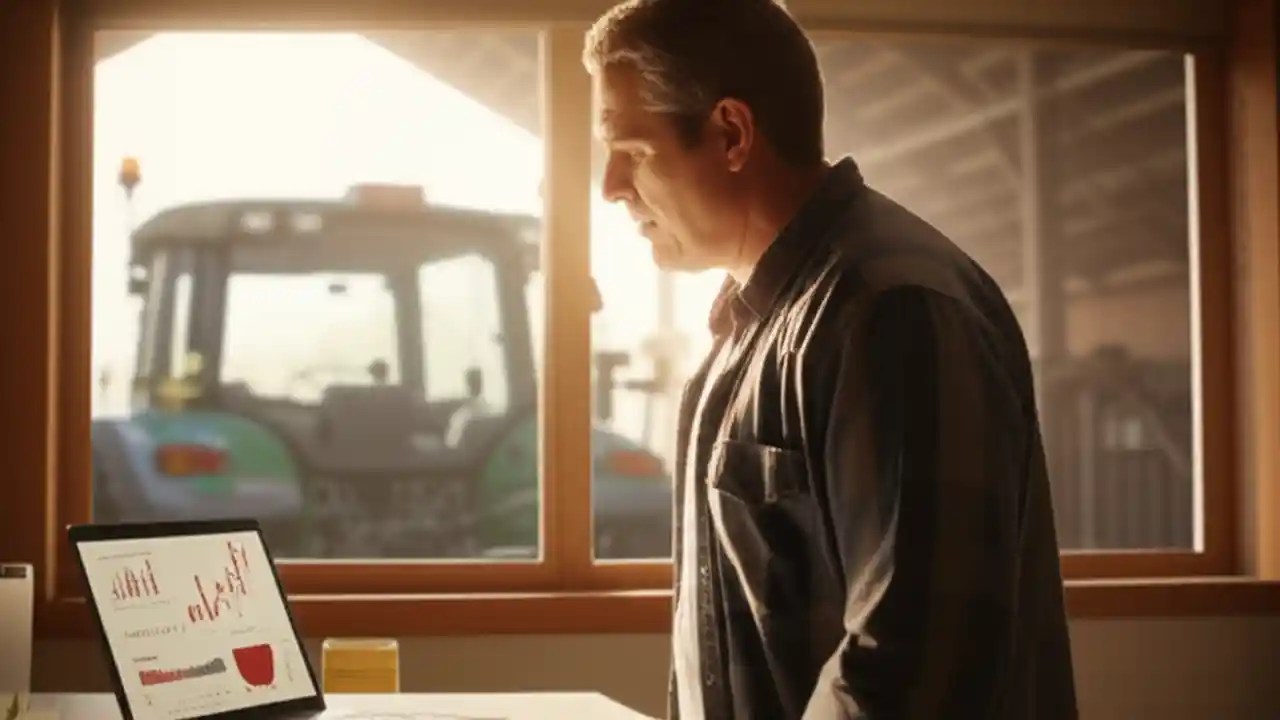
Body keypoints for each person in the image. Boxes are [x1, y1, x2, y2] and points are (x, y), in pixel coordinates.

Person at [583, 1, 1078, 718]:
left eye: (632, 151)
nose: (611, 187)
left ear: (730, 133)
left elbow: (910, 669)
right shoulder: (748, 327)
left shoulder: (892, 312)